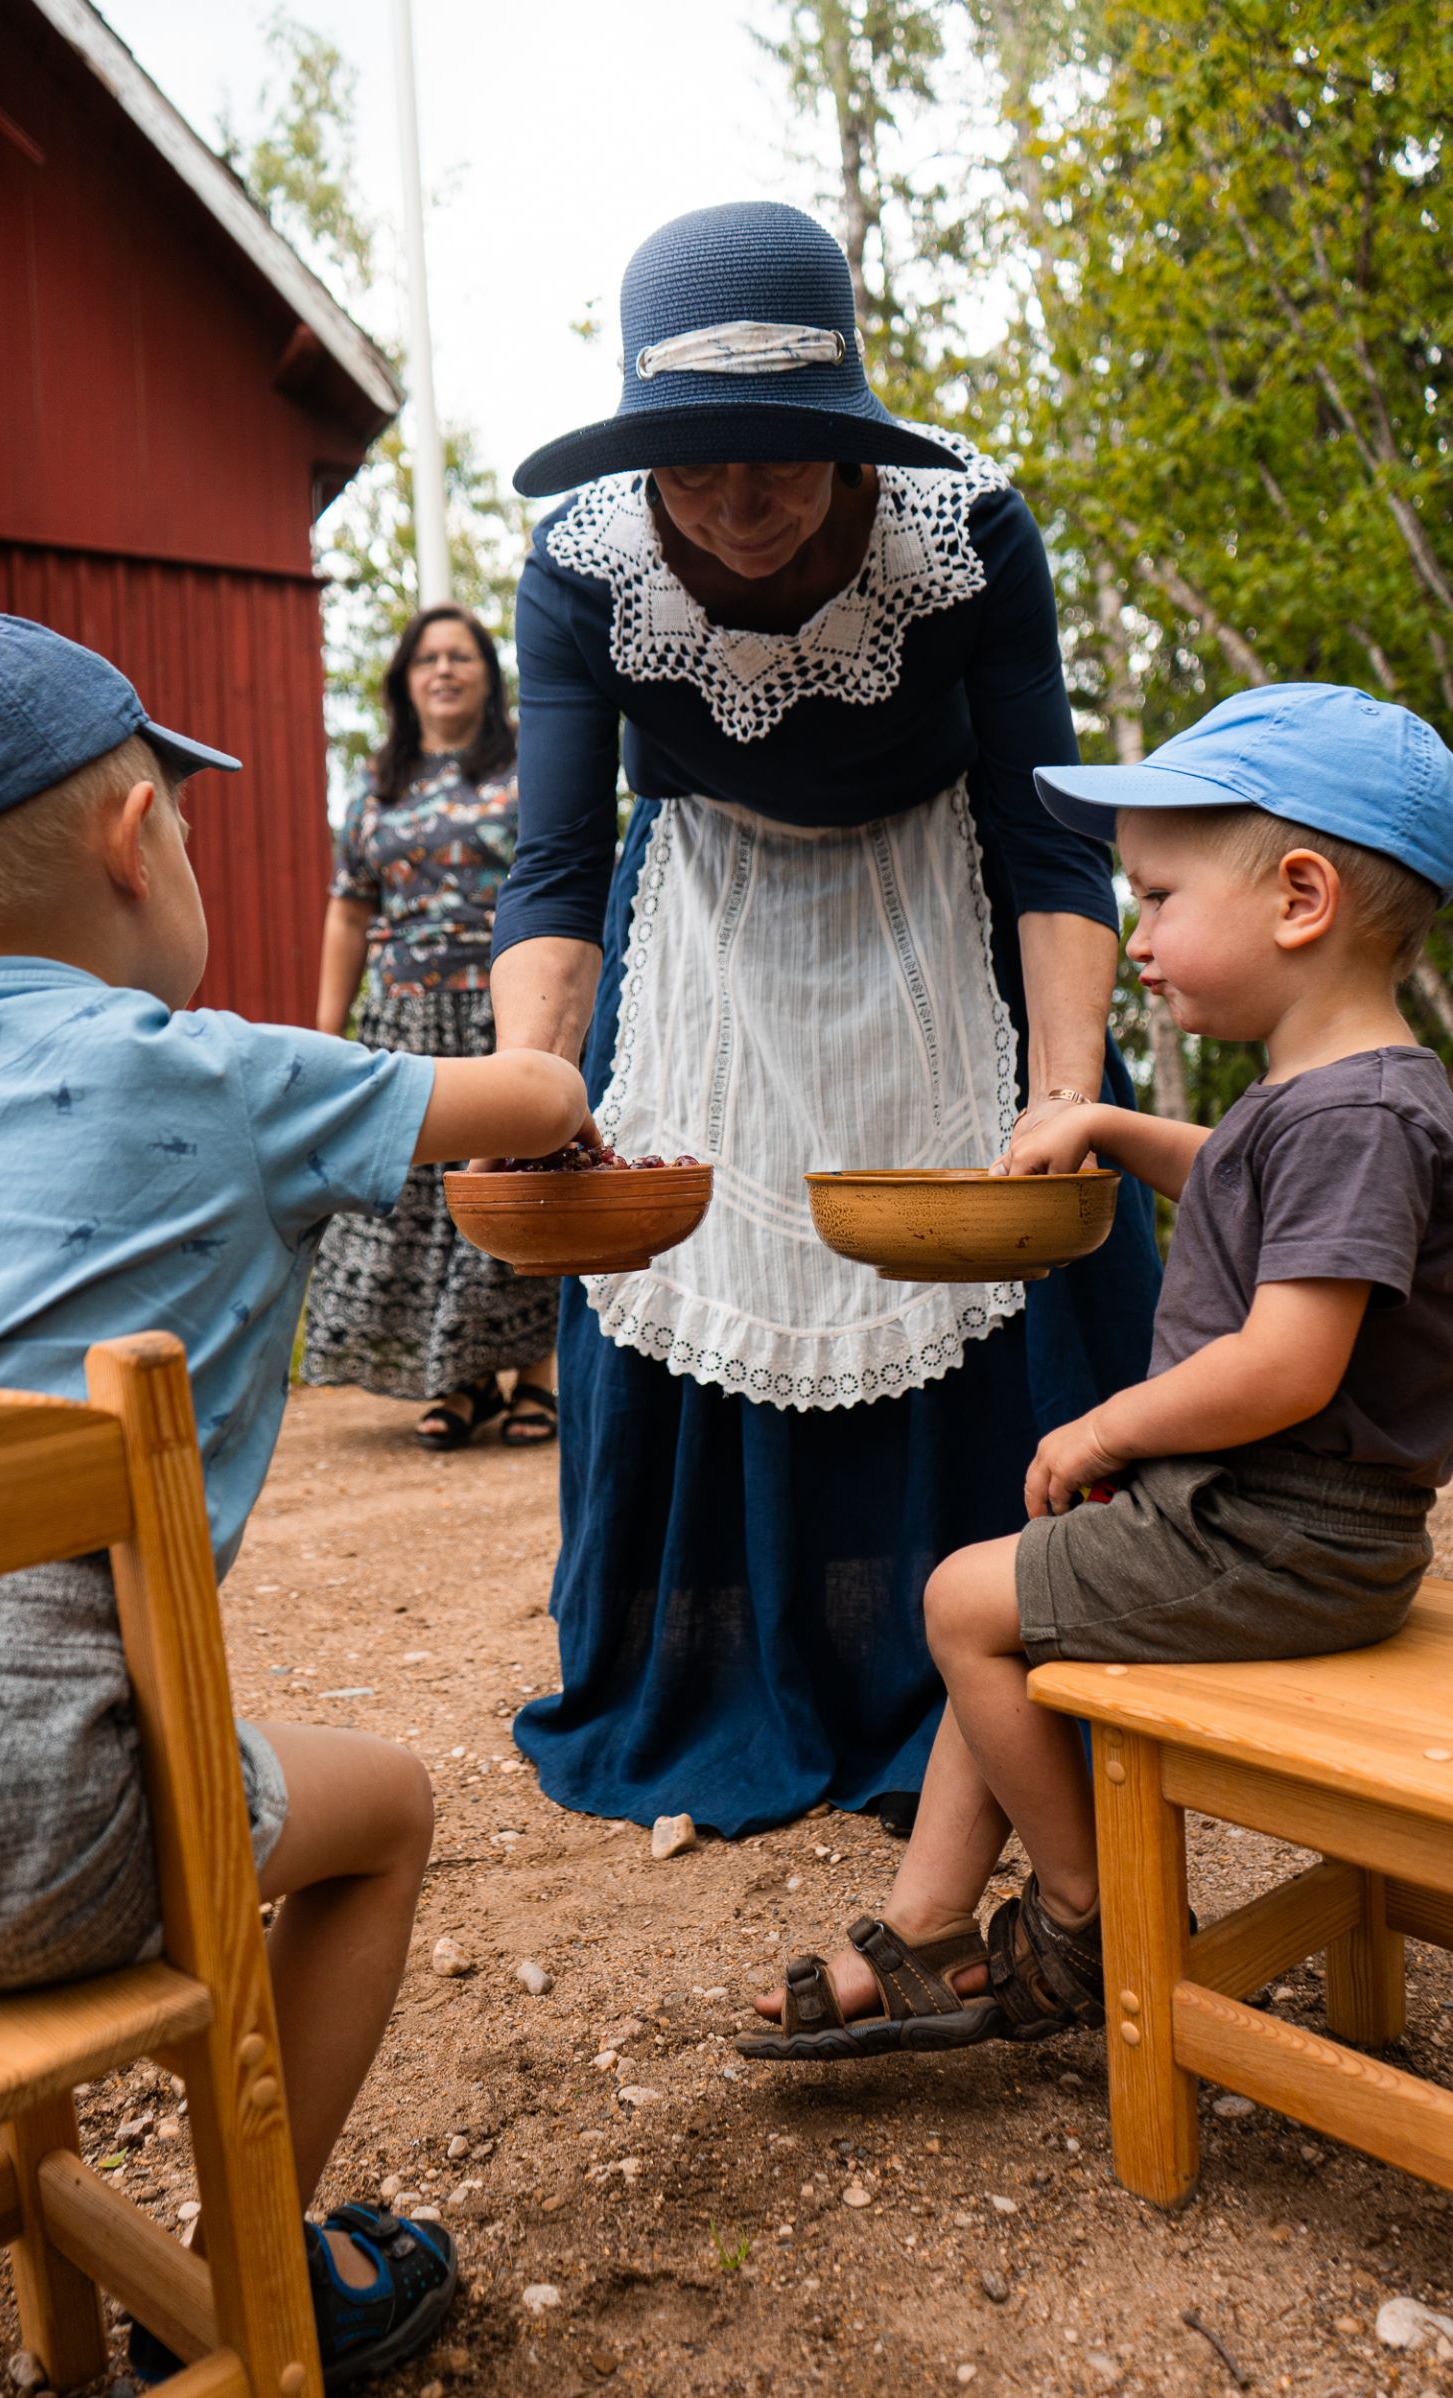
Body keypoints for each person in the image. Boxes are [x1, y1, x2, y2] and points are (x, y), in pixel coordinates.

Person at [0, 606, 585, 2379]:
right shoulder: (229, 1073)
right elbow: (537, 1089)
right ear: (131, 838)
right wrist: (551, 1076)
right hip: (49, 1848)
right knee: (393, 1807)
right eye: (179, 820)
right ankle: (247, 2255)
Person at [487, 200, 1162, 1837]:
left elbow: (1045, 824)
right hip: (705, 927)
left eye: (775, 461)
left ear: (850, 438)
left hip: (932, 910)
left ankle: (985, 1667)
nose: (734, 505)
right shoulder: (580, 573)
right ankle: (728, 1676)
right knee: (696, 1273)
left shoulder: (968, 538)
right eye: (691, 469)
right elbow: (559, 860)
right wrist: (534, 1099)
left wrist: (1057, 1095)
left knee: (1005, 1276)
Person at [742, 683, 1453, 2059]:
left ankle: (1079, 1914)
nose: (1135, 941)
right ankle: (933, 1918)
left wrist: (1108, 1423)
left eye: (1159, 896)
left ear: (1297, 897)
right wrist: (1120, 1126)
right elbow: (1254, 1192)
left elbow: (1288, 1361)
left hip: (1285, 1532)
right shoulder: (1340, 1090)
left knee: (961, 1597)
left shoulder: (1353, 1109)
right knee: (1011, 1594)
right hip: (1274, 1526)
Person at [304, 605, 559, 1450]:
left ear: (488, 676)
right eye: (426, 658)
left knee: (520, 1186)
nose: (443, 670)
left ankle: (538, 1377)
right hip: (403, 1017)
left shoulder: (532, 768)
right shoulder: (376, 788)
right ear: (404, 680)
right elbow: (349, 915)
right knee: (423, 1203)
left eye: (460, 657)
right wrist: (328, 1032)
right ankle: (461, 1378)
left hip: (506, 1014)